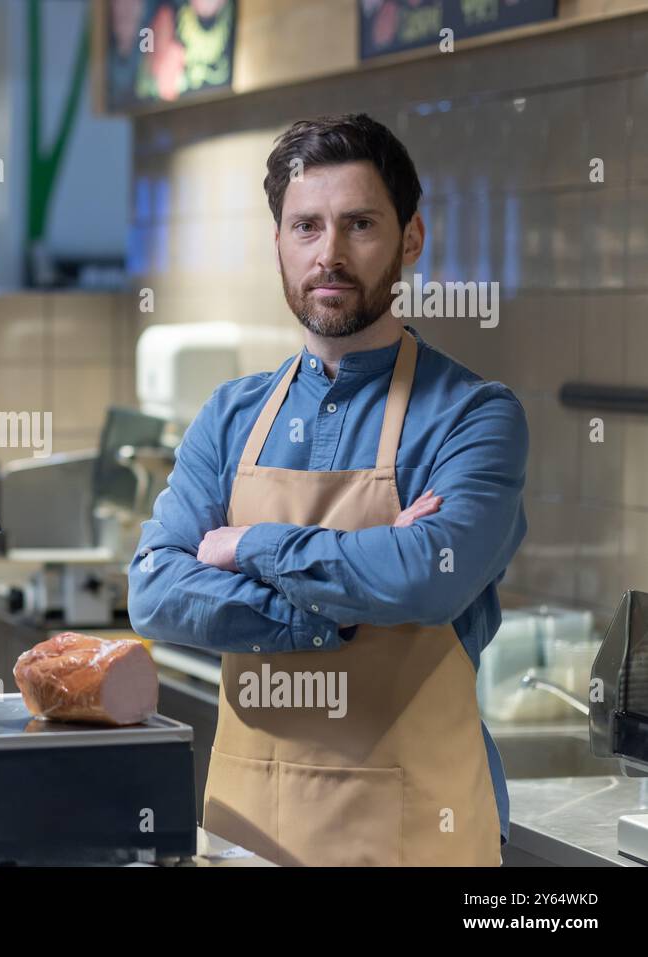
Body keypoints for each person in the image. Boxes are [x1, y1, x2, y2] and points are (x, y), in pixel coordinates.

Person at [128, 113, 527, 866]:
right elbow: (153, 590)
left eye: (360, 225)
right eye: (305, 226)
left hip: (417, 838)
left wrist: (248, 544)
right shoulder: (230, 415)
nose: (329, 254)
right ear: (278, 240)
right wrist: (335, 611)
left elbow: (423, 578)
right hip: (246, 839)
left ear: (411, 239)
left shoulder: (475, 415)